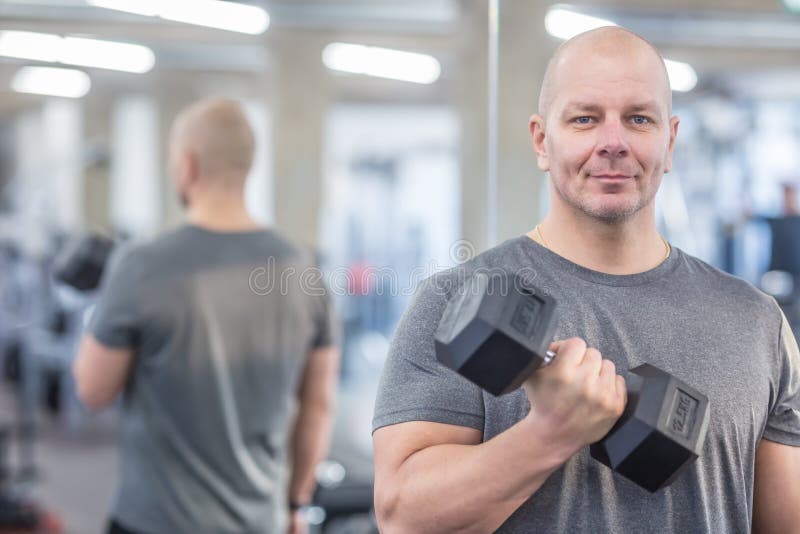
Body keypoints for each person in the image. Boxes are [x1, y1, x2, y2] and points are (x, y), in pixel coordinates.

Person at [372, 27, 800, 532]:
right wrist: (548, 435)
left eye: (639, 119)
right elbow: (403, 517)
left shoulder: (754, 321)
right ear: (541, 140)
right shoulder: (454, 301)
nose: (613, 142)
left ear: (670, 141)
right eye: (585, 119)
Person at [72, 98, 340, 534]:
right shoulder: (304, 271)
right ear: (247, 167)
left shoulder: (141, 265)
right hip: (261, 522)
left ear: (187, 166)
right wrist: (296, 503)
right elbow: (318, 404)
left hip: (155, 523)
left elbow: (92, 389)